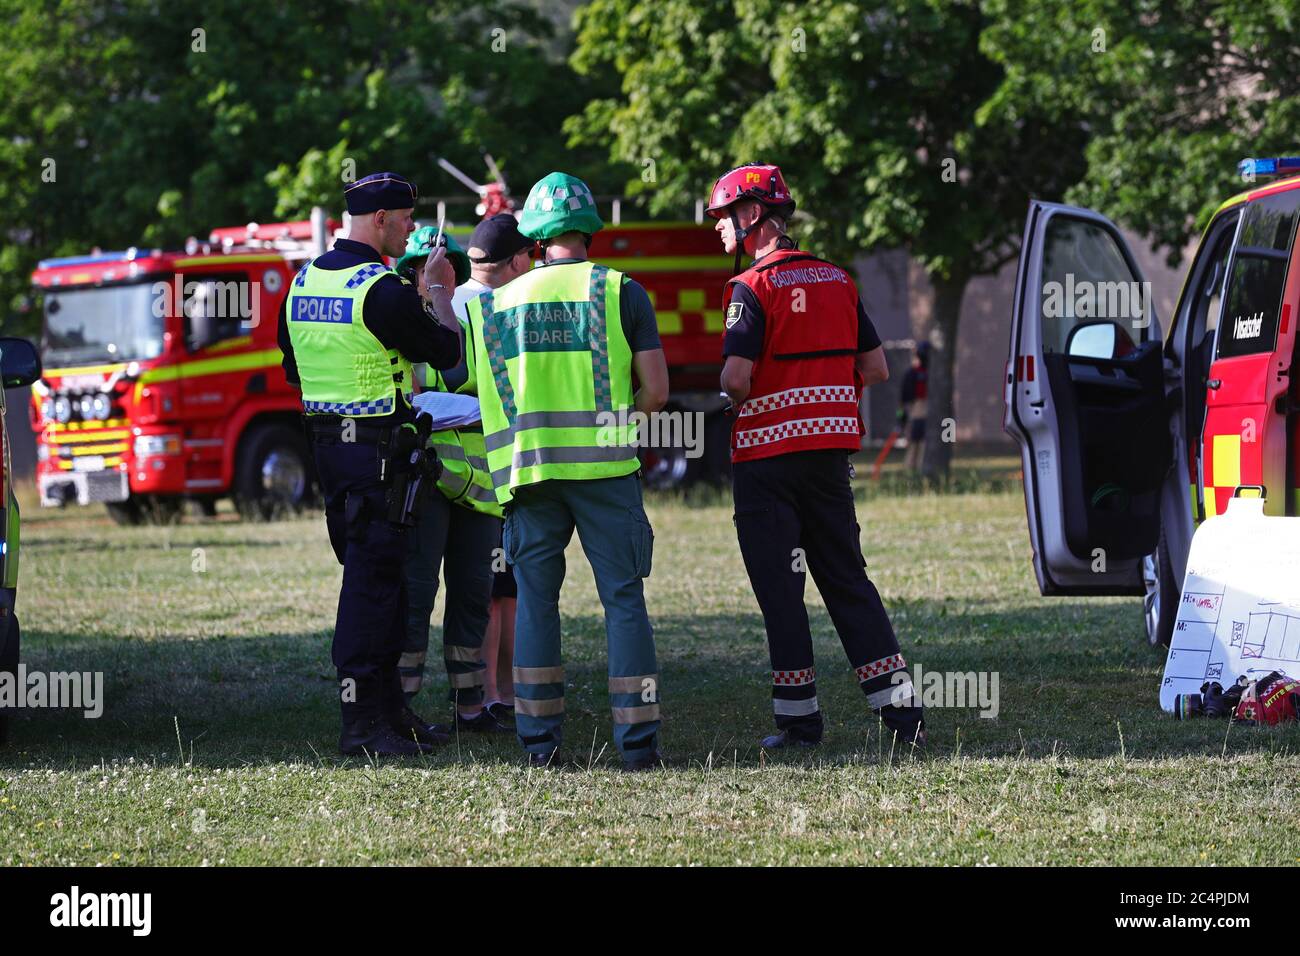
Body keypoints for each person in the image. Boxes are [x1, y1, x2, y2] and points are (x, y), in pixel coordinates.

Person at [707, 162, 925, 752]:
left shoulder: (749, 289)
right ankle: (904, 715)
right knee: (847, 580)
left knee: (782, 592)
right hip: (829, 457)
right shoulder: (838, 279)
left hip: (765, 462)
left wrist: (730, 392)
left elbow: (736, 378)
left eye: (724, 219)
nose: (719, 232)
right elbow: (876, 368)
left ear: (751, 215)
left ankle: (800, 724)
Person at [465, 172, 670, 771]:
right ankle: (637, 745)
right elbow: (656, 391)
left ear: (533, 236)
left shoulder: (495, 304)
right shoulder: (620, 290)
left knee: (534, 603)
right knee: (624, 600)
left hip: (528, 473)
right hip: (605, 471)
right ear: (587, 230)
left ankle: (539, 742)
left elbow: (481, 392)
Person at [278, 171, 463, 756]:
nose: (412, 230)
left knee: (383, 583)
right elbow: (448, 355)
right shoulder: (381, 291)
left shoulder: (303, 281)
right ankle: (362, 727)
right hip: (378, 456)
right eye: (406, 219)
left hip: (331, 454)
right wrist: (437, 292)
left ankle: (389, 712)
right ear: (379, 218)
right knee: (370, 589)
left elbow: (292, 367)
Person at [394, 217, 530, 733]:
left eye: (434, 273)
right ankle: (402, 706)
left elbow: (497, 399)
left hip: (478, 490)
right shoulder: (398, 331)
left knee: (474, 594)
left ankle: (470, 706)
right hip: (423, 484)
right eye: (416, 274)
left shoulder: (473, 325)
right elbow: (409, 402)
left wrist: (449, 407)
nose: (425, 283)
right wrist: (462, 408)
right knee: (416, 593)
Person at [454, 215, 535, 724]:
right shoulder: (493, 306)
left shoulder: (456, 301)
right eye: (527, 255)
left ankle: (497, 692)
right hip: (489, 466)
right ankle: (490, 694)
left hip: (478, 465)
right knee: (494, 588)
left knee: (502, 588)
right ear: (514, 262)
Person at [899, 341, 930, 473]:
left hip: (928, 407)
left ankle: (921, 467)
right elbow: (904, 399)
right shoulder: (912, 373)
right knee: (914, 440)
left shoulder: (934, 374)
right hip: (915, 408)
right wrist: (901, 417)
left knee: (925, 442)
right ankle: (910, 469)